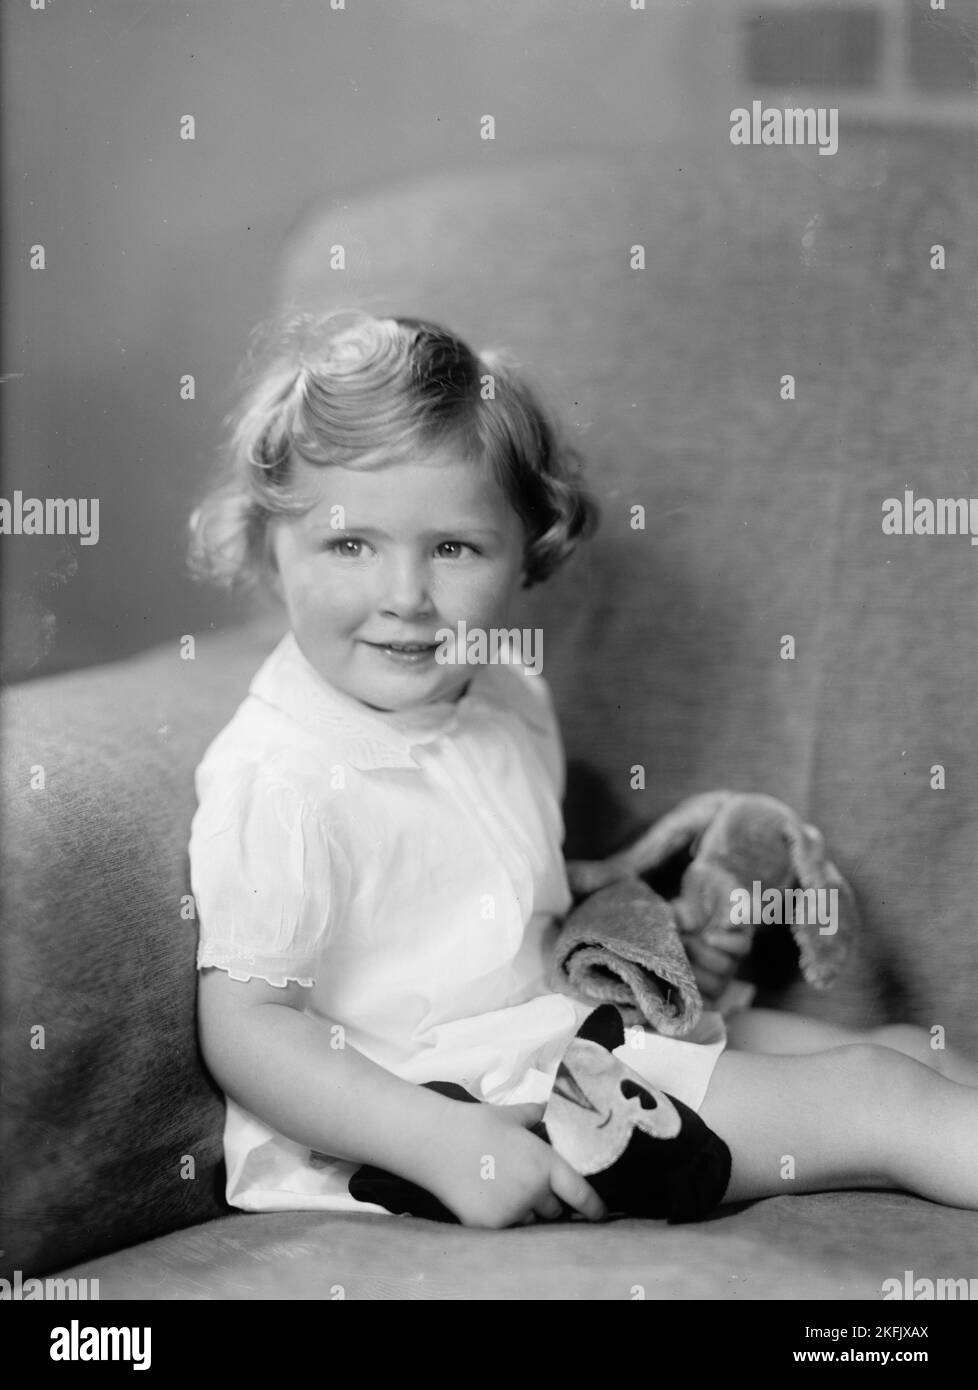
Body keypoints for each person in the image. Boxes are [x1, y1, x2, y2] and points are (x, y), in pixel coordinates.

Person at [188, 308, 978, 1230]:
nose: (404, 597)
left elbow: (479, 894)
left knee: (899, 1046)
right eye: (350, 544)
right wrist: (446, 1145)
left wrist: (634, 903)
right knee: (877, 1096)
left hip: (560, 1030)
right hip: (458, 1107)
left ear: (527, 552)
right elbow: (250, 1028)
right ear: (267, 549)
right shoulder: (281, 777)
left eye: (453, 547)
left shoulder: (504, 699)